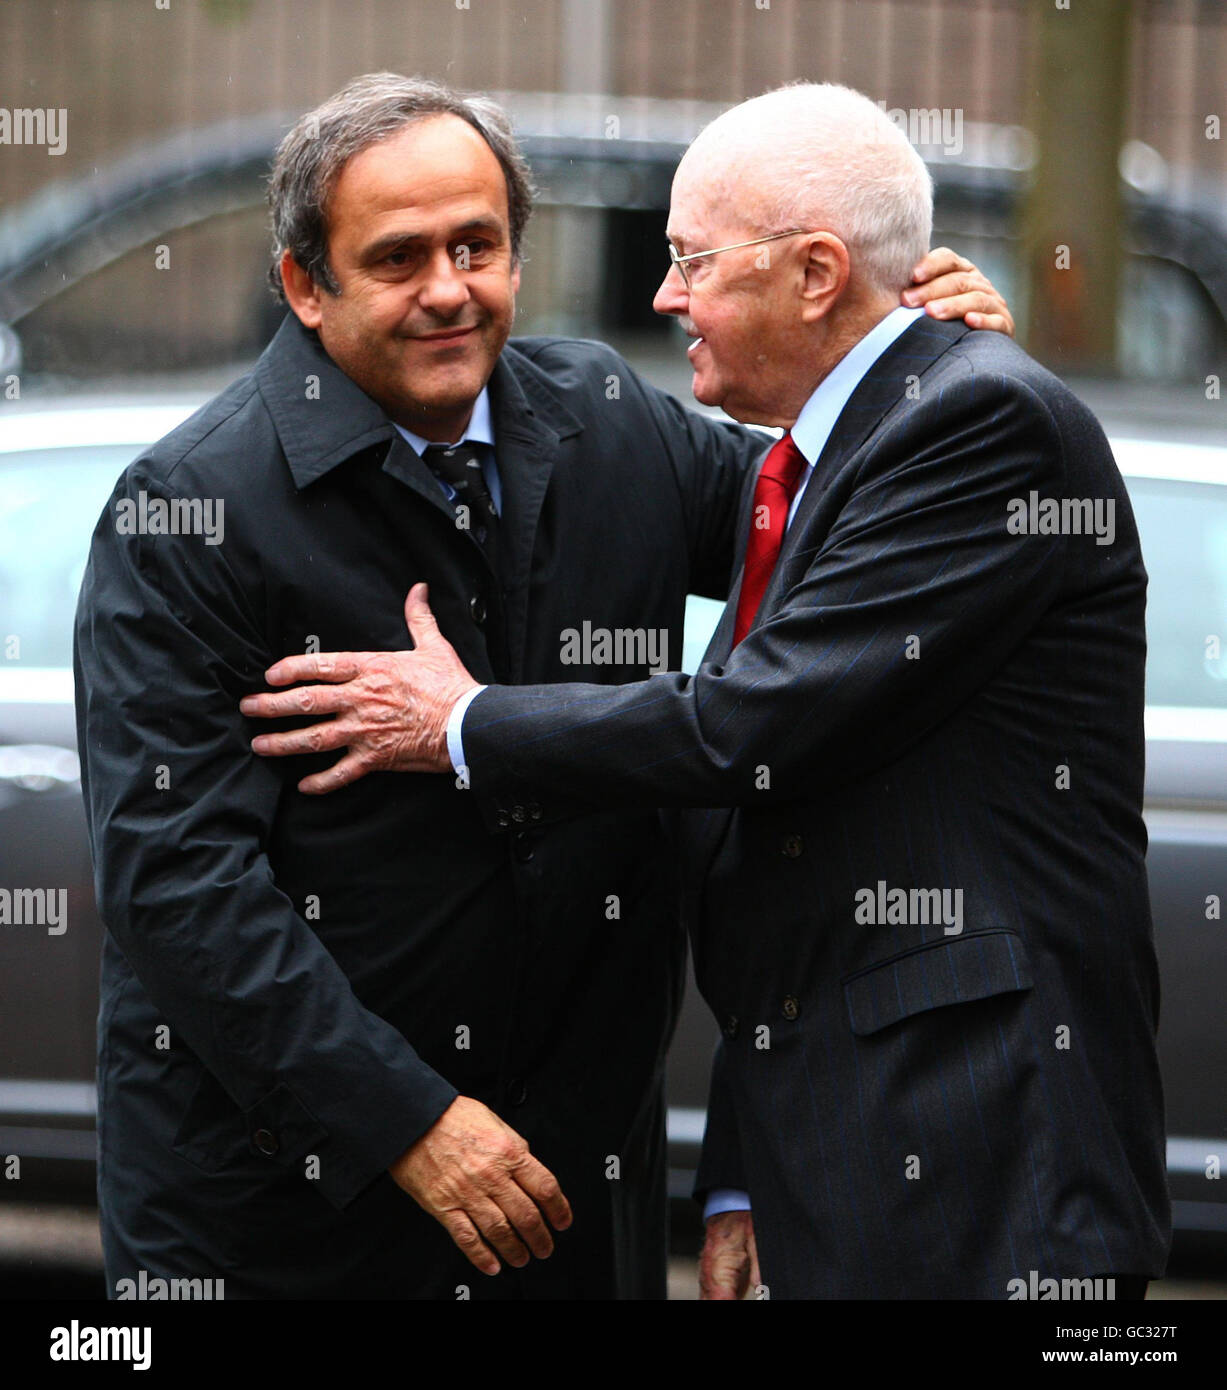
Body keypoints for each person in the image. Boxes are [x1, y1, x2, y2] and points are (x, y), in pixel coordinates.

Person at [76, 72, 1011, 1299]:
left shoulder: (612, 417)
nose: (451, 290)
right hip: (283, 1210)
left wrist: (920, 370)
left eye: (479, 245)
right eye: (400, 257)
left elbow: (835, 527)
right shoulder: (184, 515)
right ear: (306, 285)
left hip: (567, 1187)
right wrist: (409, 1121)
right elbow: (179, 888)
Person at [243, 82, 1171, 1300]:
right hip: (846, 1142)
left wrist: (458, 722)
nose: (664, 293)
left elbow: (751, 725)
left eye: (690, 259)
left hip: (986, 1153)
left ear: (818, 273)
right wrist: (739, 1164)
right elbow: (792, 848)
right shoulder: (819, 458)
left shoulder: (975, 422)